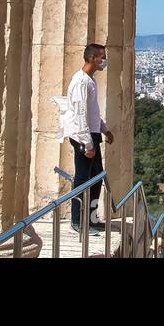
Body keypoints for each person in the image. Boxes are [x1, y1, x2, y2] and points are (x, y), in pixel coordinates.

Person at [65, 43, 113, 233]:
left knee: (96, 178)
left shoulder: (89, 81)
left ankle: (91, 219)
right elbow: (79, 114)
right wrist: (87, 143)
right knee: (83, 179)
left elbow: (92, 113)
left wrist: (105, 130)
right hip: (83, 136)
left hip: (91, 134)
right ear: (92, 58)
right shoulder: (81, 82)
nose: (104, 60)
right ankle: (78, 221)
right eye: (102, 57)